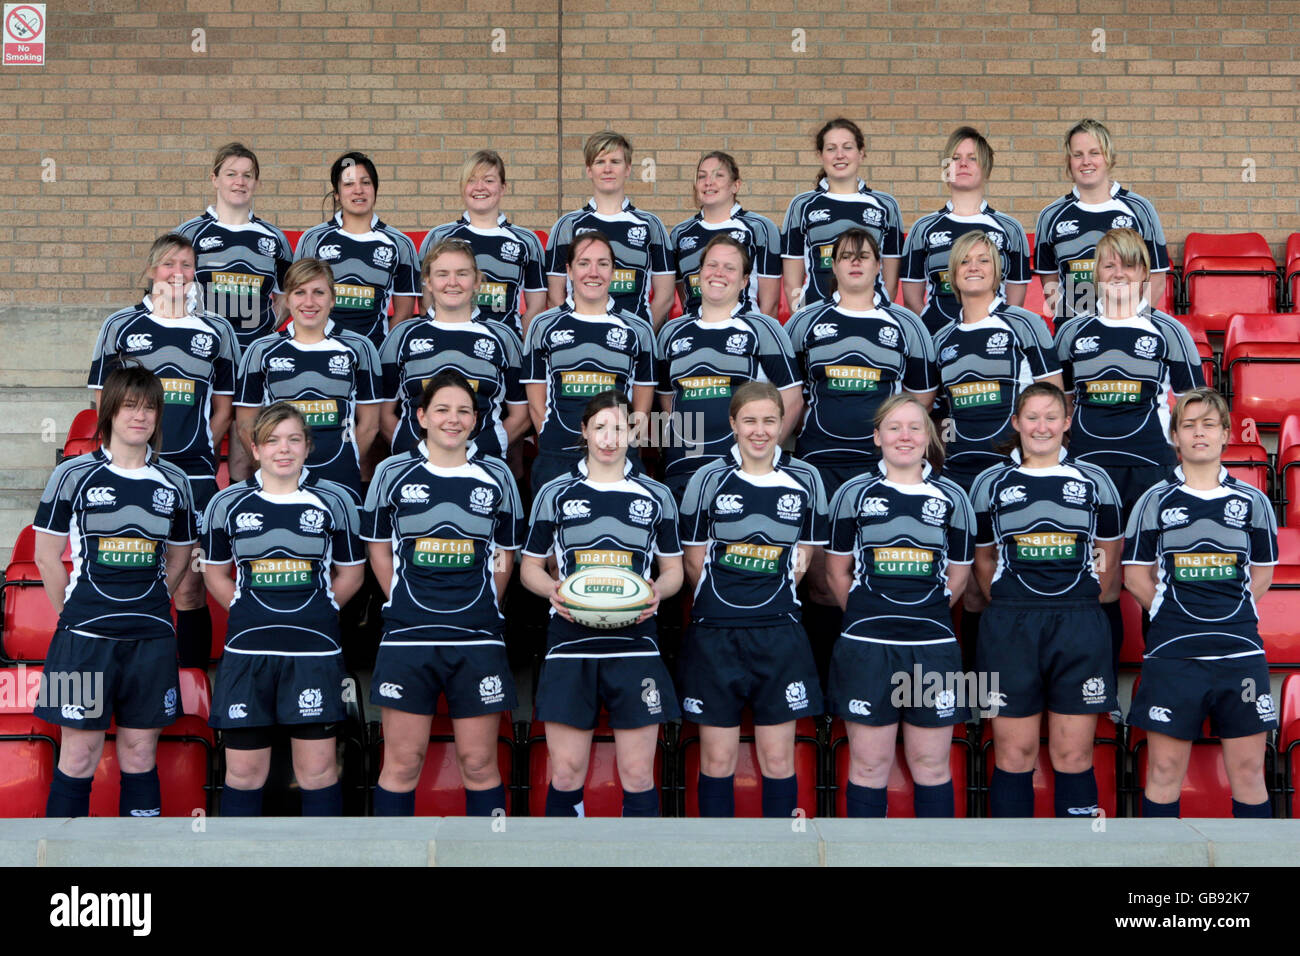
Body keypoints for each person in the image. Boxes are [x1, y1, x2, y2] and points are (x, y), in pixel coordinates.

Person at [35, 365, 196, 818]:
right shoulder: (72, 475)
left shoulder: (175, 482)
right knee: (78, 756)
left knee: (141, 755)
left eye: (148, 408)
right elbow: (47, 556)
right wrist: (74, 617)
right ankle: (63, 860)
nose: (139, 417)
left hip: (151, 639)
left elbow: (180, 557)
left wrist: (151, 602)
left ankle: (138, 858)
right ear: (109, 412)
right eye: (130, 406)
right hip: (83, 642)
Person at [364, 370, 524, 817]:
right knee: (401, 762)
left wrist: (484, 600)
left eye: (463, 412)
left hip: (477, 638)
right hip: (408, 637)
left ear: (475, 420)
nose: (452, 420)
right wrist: (400, 595)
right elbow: (378, 548)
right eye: (442, 410)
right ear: (421, 416)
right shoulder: (390, 472)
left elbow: (504, 555)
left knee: (478, 762)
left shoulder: (496, 476)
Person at [520, 391, 683, 817]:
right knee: (567, 772)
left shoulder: (655, 494)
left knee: (637, 774)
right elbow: (529, 569)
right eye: (600, 428)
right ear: (584, 432)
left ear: (634, 432)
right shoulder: (555, 493)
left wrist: (658, 592)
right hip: (571, 642)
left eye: (620, 428)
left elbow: (675, 571)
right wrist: (551, 591)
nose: (609, 439)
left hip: (635, 645)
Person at [785, 228, 937, 676]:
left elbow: (919, 401)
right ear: (831, 266)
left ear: (877, 265)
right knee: (817, 583)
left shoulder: (906, 325)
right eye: (845, 256)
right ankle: (824, 688)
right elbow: (789, 398)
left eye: (865, 256)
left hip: (879, 472)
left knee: (868, 574)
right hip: (818, 466)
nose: (855, 263)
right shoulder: (804, 322)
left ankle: (864, 676)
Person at [202, 402, 366, 816]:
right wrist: (243, 607)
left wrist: (321, 609)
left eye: (294, 439)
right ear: (254, 449)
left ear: (307, 447)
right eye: (272, 440)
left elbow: (351, 574)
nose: (283, 449)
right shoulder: (227, 504)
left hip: (313, 655)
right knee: (242, 775)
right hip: (247, 655)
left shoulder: (336, 501)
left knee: (319, 772)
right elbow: (216, 574)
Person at [969, 382, 1123, 817]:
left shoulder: (1095, 481)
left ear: (1067, 423)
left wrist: (1077, 599)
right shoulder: (989, 483)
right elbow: (984, 562)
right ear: (1016, 423)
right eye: (1031, 417)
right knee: (1013, 756)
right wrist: (1008, 600)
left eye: (1051, 417)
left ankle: (1079, 858)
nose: (1042, 426)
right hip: (1010, 625)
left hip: (1079, 624)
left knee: (1073, 756)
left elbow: (1108, 563)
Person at [87, 232, 240, 668]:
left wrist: (198, 447)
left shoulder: (217, 331)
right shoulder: (121, 326)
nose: (178, 273)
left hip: (193, 475)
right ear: (152, 271)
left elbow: (224, 409)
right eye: (169, 264)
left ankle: (191, 689)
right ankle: (137, 676)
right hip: (134, 471)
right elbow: (102, 404)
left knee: (191, 586)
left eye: (187, 265)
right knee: (133, 578)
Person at [1054, 227, 1204, 669]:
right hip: (1087, 476)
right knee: (1097, 582)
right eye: (1108, 264)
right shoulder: (1072, 332)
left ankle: (1165, 676)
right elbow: (1056, 406)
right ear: (1095, 274)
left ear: (1144, 274)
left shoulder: (1168, 332)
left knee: (1155, 579)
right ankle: (1097, 689)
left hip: (1149, 472)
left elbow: (1195, 407)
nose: (1118, 272)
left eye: (1129, 264)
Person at [1124, 387, 1276, 819]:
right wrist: (1170, 613)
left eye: (1209, 424)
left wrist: (1229, 614)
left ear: (1226, 434)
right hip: (1174, 655)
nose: (1199, 433)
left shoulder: (1254, 502)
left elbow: (1261, 575)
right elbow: (1135, 575)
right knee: (1165, 770)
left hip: (1240, 655)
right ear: (1174, 437)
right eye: (1188, 425)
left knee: (1248, 772)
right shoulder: (1154, 501)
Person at [677, 382, 827, 818]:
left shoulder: (806, 479)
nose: (759, 431)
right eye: (749, 421)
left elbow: (801, 560)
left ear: (783, 423)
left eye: (769, 421)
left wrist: (769, 599)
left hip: (780, 633)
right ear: (732, 424)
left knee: (778, 759)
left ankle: (781, 852)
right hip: (715, 633)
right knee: (717, 760)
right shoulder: (706, 479)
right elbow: (694, 562)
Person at [824, 395, 975, 817]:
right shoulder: (852, 494)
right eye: (894, 428)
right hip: (866, 646)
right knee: (870, 766)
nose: (904, 436)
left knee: (931, 765)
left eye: (914, 427)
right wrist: (865, 615)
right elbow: (837, 573)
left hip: (932, 647)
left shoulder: (953, 497)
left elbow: (959, 576)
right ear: (877, 437)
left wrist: (923, 614)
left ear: (928, 437)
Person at [933, 232, 1061, 666]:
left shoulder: (1024, 324)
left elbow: (1052, 401)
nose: (973, 267)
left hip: (1012, 474)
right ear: (951, 274)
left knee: (1007, 581)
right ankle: (974, 701)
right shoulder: (941, 338)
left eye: (983, 261)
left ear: (998, 272)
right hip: (959, 477)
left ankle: (1012, 686)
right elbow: (932, 411)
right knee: (968, 587)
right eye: (964, 260)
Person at [176, 142, 294, 483]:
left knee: (246, 447)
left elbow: (289, 295)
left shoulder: (273, 239)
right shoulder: (190, 234)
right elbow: (170, 291)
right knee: (204, 445)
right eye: (231, 174)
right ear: (215, 179)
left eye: (247, 175)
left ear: (256, 182)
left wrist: (266, 331)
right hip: (204, 358)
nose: (239, 182)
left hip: (250, 359)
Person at [655, 235, 802, 501]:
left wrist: (758, 457)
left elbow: (792, 401)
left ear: (745, 281)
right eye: (711, 265)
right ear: (699, 274)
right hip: (681, 471)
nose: (718, 273)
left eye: (730, 267)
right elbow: (668, 402)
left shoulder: (764, 329)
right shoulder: (671, 332)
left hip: (740, 472)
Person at [235, 258, 382, 504]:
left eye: (319, 292)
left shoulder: (360, 348)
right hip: (279, 480)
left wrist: (348, 457)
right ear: (287, 299)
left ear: (332, 299)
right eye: (300, 292)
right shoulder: (261, 350)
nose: (309, 302)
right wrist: (272, 464)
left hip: (341, 477)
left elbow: (369, 425)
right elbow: (245, 425)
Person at [524, 230, 655, 491]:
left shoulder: (639, 329)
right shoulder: (543, 325)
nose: (593, 272)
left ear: (613, 271)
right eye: (584, 263)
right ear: (570, 271)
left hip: (616, 459)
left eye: (602, 264)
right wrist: (560, 444)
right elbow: (537, 407)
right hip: (557, 459)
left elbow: (640, 411)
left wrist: (615, 446)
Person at [381, 239, 529, 462]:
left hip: (483, 465)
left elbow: (521, 415)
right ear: (428, 282)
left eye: (462, 273)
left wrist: (486, 448)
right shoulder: (402, 335)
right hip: (412, 466)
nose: (452, 282)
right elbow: (382, 414)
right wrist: (415, 451)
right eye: (442, 274)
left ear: (477, 281)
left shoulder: (504, 337)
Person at [1034, 119, 1170, 321]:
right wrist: (1069, 323)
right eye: (1077, 155)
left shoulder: (1139, 210)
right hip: (1075, 334)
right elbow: (1049, 280)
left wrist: (1135, 321)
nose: (1086, 161)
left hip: (1127, 330)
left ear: (1108, 157)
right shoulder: (1051, 216)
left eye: (1094, 153)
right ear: (1069, 162)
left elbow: (1157, 277)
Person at [901, 127, 1032, 337]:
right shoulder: (923, 228)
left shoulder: (1010, 229)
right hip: (936, 340)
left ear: (986, 168)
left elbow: (1015, 303)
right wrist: (936, 335)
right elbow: (911, 300)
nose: (962, 164)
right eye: (955, 158)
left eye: (972, 158)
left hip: (993, 340)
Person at [545, 131, 675, 329]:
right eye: (599, 162)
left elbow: (665, 297)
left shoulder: (650, 224)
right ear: (589, 170)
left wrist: (641, 335)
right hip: (580, 335)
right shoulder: (567, 225)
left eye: (615, 161)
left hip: (633, 341)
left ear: (628, 168)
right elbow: (555, 297)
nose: (607, 169)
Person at [295, 151, 420, 351]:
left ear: (375, 190)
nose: (358, 190)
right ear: (337, 193)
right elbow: (298, 300)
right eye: (348, 184)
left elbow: (403, 314)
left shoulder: (400, 244)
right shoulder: (313, 239)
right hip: (320, 352)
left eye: (366, 183)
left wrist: (382, 354)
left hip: (375, 355)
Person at [417, 150, 548, 338]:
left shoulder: (527, 241)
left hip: (504, 347)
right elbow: (426, 303)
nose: (480, 187)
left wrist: (514, 344)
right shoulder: (438, 237)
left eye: (488, 180)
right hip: (450, 342)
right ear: (463, 187)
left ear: (503, 187)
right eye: (472, 180)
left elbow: (536, 306)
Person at [782, 117, 904, 313]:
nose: (840, 155)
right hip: (816, 313)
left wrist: (879, 312)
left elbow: (890, 283)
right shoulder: (802, 205)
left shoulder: (886, 205)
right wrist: (802, 315)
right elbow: (791, 284)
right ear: (820, 155)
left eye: (847, 147)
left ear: (861, 153)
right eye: (831, 149)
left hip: (871, 315)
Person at [669, 151, 782, 319]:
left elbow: (770, 304)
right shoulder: (680, 233)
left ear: (735, 185)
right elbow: (686, 296)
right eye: (702, 176)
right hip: (693, 331)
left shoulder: (760, 228)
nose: (708, 182)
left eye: (718, 175)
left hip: (744, 330)